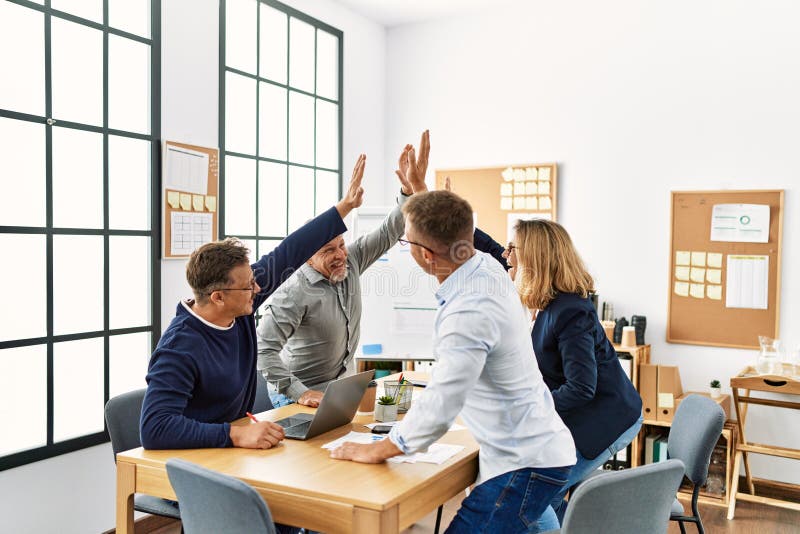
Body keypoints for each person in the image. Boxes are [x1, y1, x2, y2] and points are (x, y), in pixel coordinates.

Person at [330, 190, 576, 534]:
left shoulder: (468, 313)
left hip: (524, 463)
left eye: (407, 241)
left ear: (426, 255)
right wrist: (421, 190)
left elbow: (443, 400)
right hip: (536, 450)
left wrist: (381, 449)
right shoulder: (487, 268)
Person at [139, 155, 368, 451]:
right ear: (218, 297)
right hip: (196, 466)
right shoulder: (179, 347)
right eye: (249, 285)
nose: (258, 288)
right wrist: (233, 435)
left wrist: (345, 206)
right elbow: (154, 429)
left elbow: (290, 251)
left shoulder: (239, 302)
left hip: (235, 450)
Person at [477, 218, 643, 528]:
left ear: (535, 259)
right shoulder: (547, 300)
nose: (506, 256)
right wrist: (437, 210)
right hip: (579, 415)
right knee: (543, 500)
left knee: (527, 499)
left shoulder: (570, 311)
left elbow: (581, 389)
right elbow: (492, 249)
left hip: (605, 420)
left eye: (513, 249)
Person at [256, 133, 431, 408]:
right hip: (298, 395)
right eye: (328, 250)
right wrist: (298, 391)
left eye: (341, 245)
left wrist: (409, 193)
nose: (340, 255)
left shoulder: (352, 261)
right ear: (307, 256)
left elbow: (388, 231)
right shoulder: (293, 292)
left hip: (339, 390)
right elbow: (263, 350)